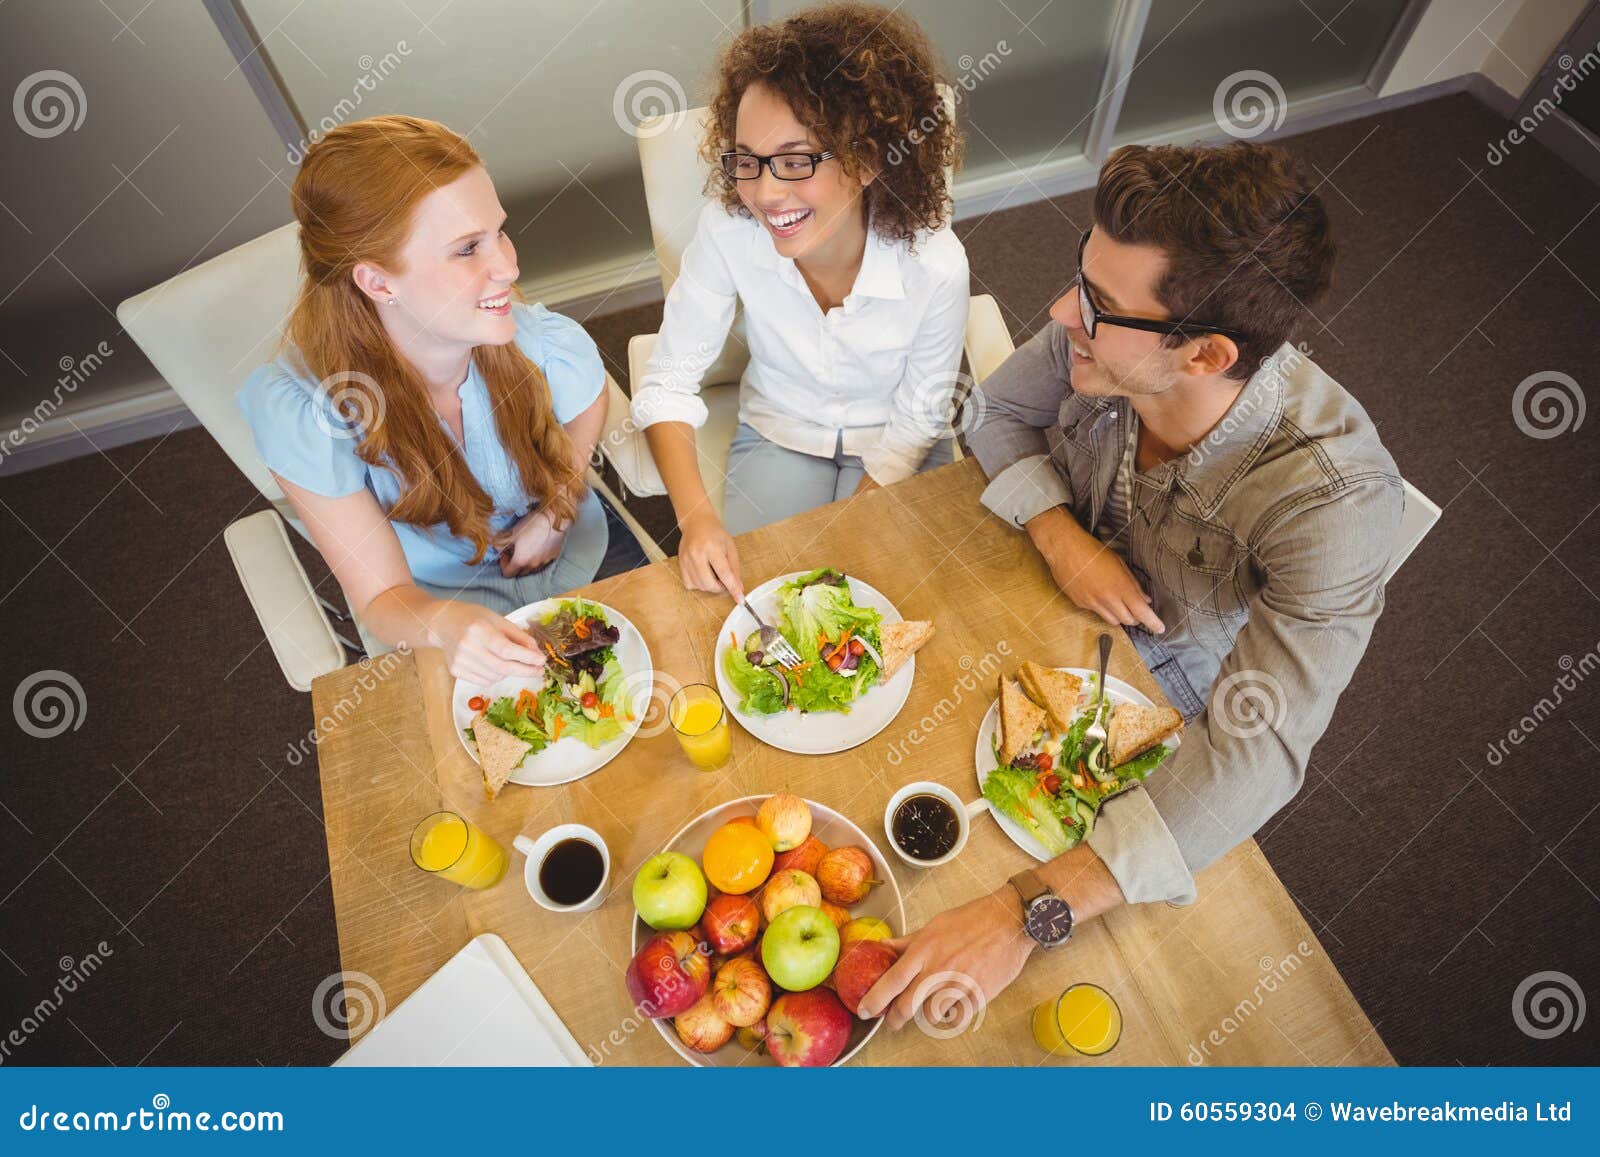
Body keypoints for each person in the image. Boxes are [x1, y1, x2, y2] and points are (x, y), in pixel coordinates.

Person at [860, 141, 1403, 1029]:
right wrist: (1059, 532)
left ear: (1205, 354)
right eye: (1083, 274)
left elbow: (1256, 749)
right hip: (1042, 584)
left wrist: (1021, 911)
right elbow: (992, 411)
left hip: (1167, 691)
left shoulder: (1335, 500)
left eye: (1100, 304)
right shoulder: (1107, 339)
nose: (1059, 308)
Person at [238, 115, 646, 687]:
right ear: (379, 282)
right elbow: (382, 597)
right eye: (467, 249)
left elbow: (589, 399)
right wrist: (447, 623)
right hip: (439, 614)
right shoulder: (311, 413)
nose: (509, 265)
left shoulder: (523, 338)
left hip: (575, 552)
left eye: (498, 232)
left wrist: (557, 506)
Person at [629, 2, 970, 599]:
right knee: (764, 614)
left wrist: (849, 542)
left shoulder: (935, 264)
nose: (764, 192)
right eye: (747, 162)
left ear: (866, 160)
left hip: (901, 441)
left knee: (891, 605)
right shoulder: (728, 229)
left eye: (795, 160)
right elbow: (668, 383)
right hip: (779, 431)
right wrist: (696, 521)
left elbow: (918, 419)